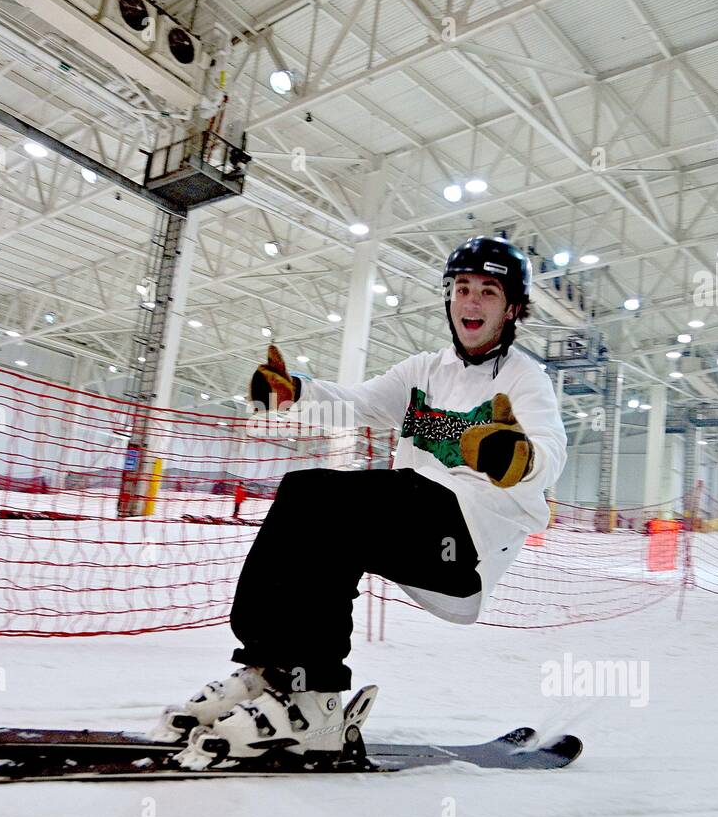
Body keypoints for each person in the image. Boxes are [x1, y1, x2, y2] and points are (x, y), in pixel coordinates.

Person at [152, 235, 568, 769]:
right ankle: (278, 672)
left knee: (327, 498)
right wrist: (296, 393)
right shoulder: (425, 370)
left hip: (464, 541)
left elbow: (550, 453)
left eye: (488, 292)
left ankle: (313, 699)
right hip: (412, 517)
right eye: (462, 288)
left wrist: (517, 456)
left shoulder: (524, 379)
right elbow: (361, 404)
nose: (471, 301)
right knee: (306, 498)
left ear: (512, 309)